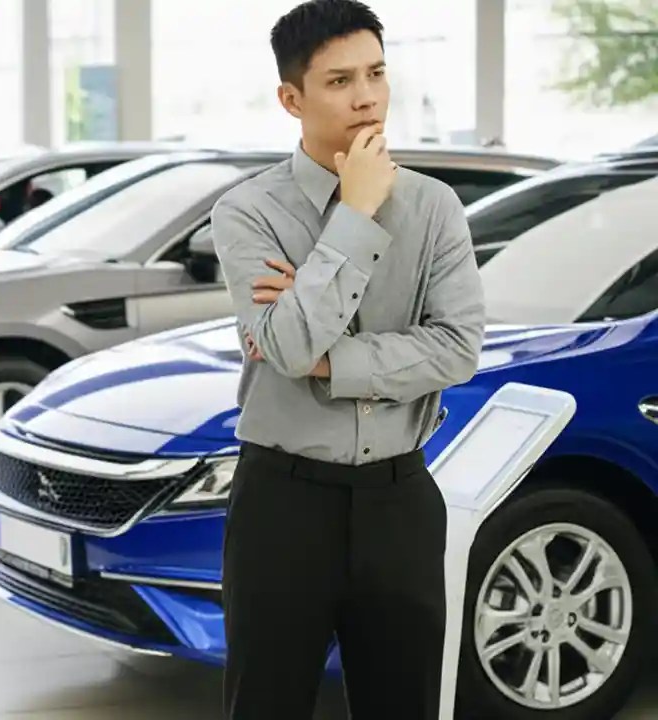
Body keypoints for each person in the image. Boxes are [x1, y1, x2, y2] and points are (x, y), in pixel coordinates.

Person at [209, 1, 485, 718]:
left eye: (376, 73)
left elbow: (457, 347)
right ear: (291, 99)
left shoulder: (434, 208)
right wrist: (355, 215)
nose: (365, 96)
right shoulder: (247, 212)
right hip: (283, 503)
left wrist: (329, 359)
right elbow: (292, 344)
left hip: (401, 499)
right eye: (338, 81)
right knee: (266, 702)